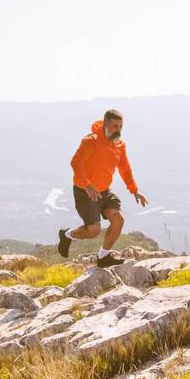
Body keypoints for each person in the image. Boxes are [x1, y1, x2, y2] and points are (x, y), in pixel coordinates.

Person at [57, 109, 148, 267]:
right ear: (105, 124)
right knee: (93, 231)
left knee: (118, 219)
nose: (118, 130)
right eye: (114, 126)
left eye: (120, 126)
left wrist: (135, 190)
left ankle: (103, 257)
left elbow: (125, 168)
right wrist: (87, 184)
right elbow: (76, 163)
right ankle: (67, 235)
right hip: (84, 191)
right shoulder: (91, 141)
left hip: (104, 190)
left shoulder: (120, 145)